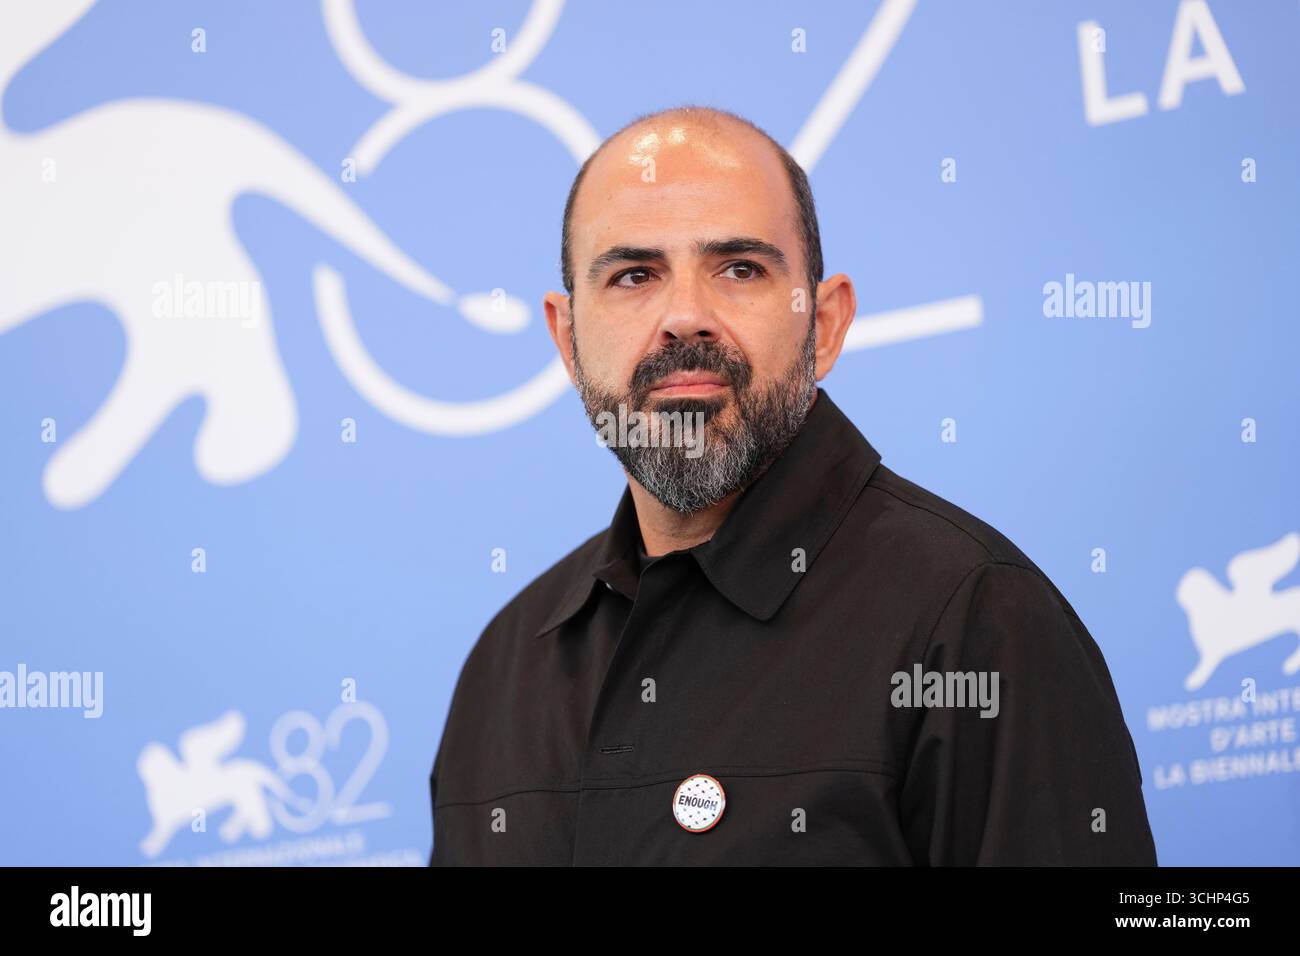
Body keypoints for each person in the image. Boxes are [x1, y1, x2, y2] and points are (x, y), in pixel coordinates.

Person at [428, 105, 1157, 866]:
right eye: (635, 274)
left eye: (740, 268)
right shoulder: (504, 666)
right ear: (567, 341)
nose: (684, 318)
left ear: (829, 324)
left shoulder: (974, 623)